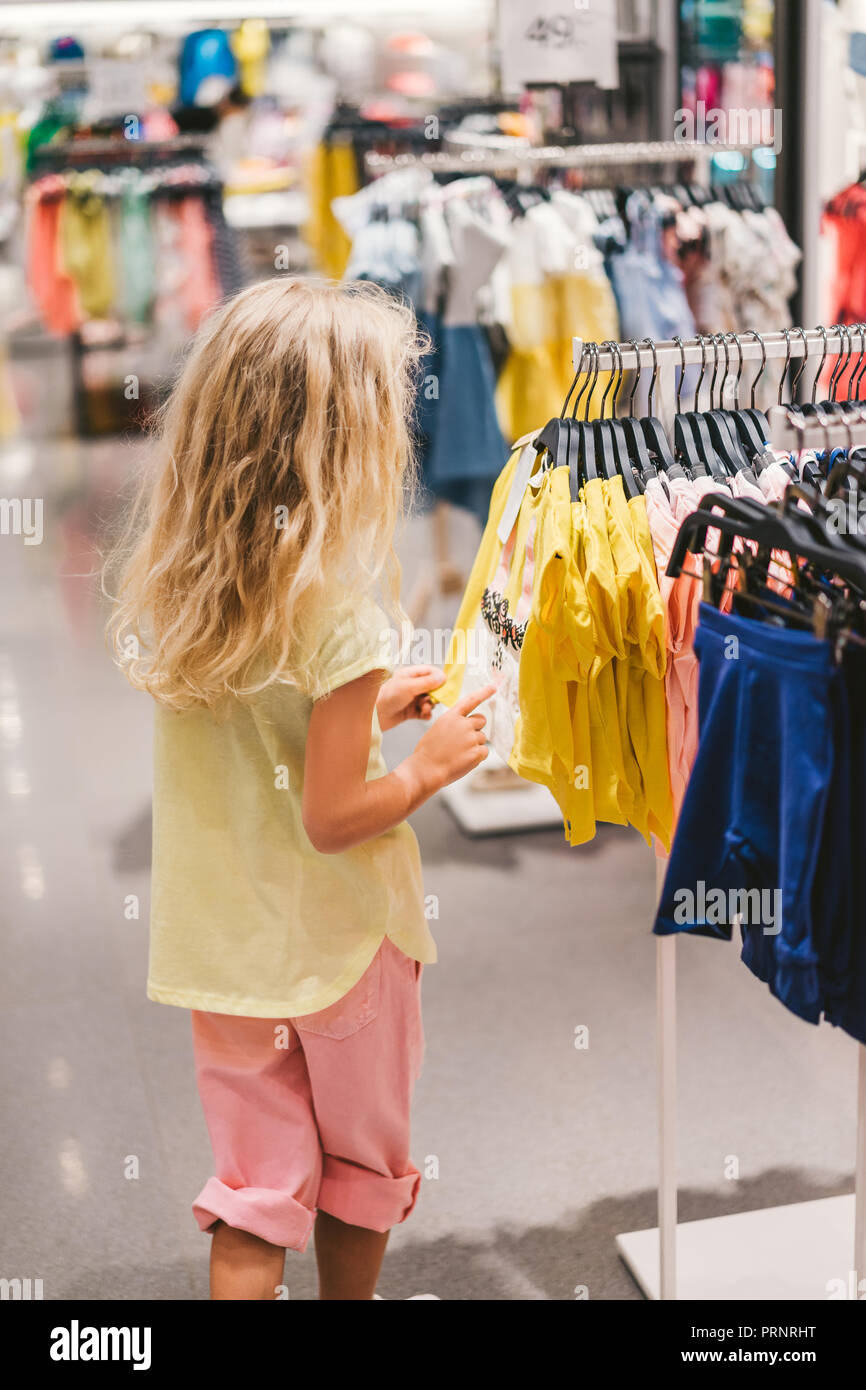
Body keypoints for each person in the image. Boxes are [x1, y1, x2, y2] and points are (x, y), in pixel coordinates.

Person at [108, 277, 493, 1300]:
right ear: (345, 445)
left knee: (255, 1188)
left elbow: (259, 749)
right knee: (358, 1172)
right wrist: (425, 764)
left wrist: (360, 714)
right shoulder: (342, 618)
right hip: (341, 949)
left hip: (226, 954)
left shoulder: (186, 588)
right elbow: (330, 818)